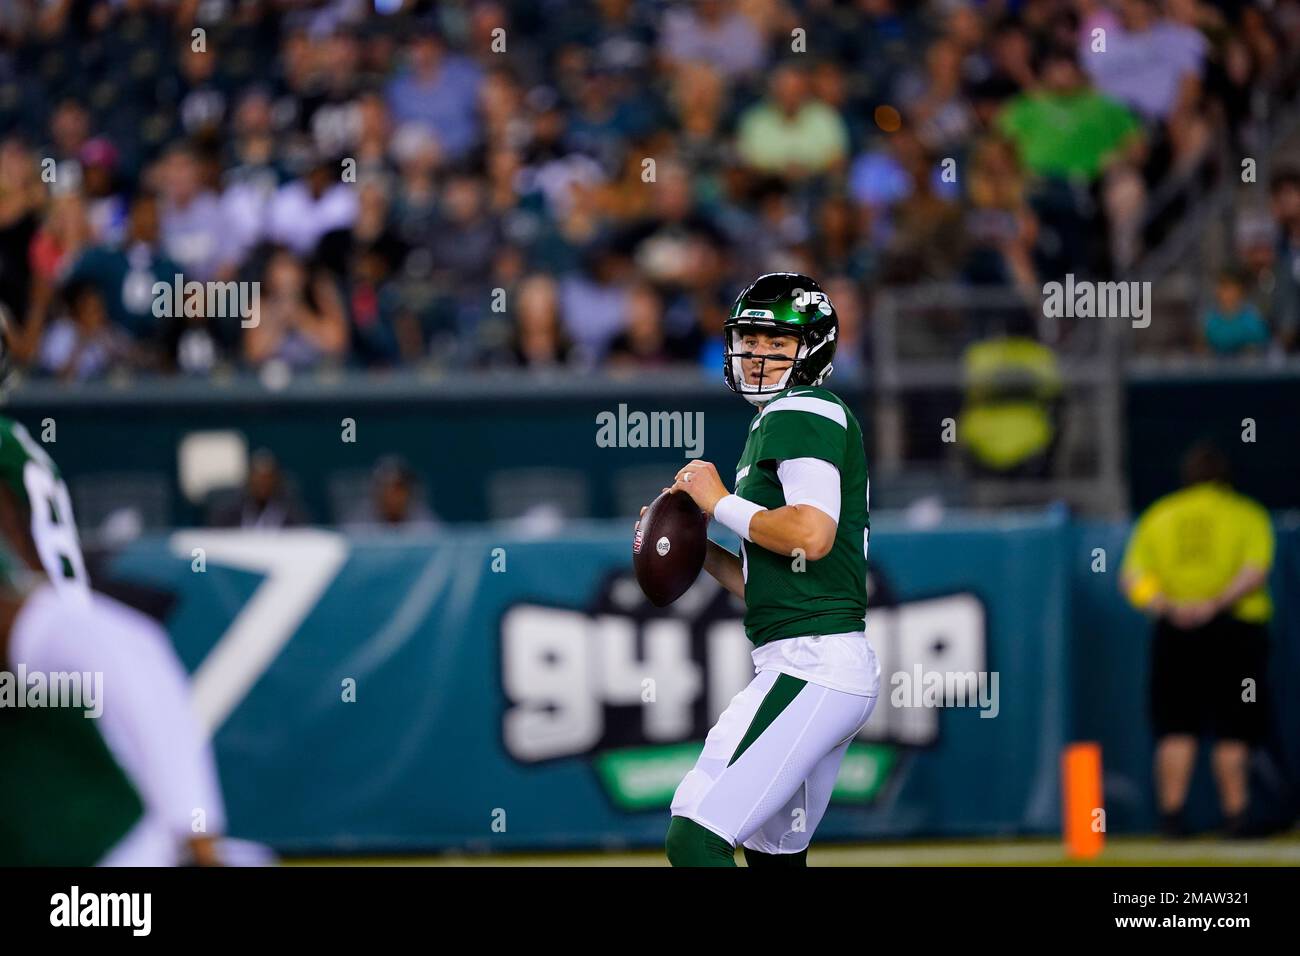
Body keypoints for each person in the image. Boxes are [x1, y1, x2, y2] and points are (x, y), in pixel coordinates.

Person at [647, 272, 878, 866]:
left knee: (695, 836)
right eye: (750, 340)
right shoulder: (785, 417)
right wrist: (697, 547)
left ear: (814, 348)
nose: (757, 354)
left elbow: (812, 535)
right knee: (774, 854)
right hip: (814, 657)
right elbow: (771, 583)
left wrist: (721, 501)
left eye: (777, 343)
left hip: (812, 662)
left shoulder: (801, 408)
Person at [1120, 441, 1275, 837]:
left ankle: (1172, 817)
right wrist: (1214, 603)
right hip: (1234, 631)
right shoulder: (1245, 514)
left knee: (1176, 726)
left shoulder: (1161, 514)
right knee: (1234, 726)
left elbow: (1133, 579)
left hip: (1176, 634)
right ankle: (1236, 815)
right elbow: (1254, 572)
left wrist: (1168, 606)